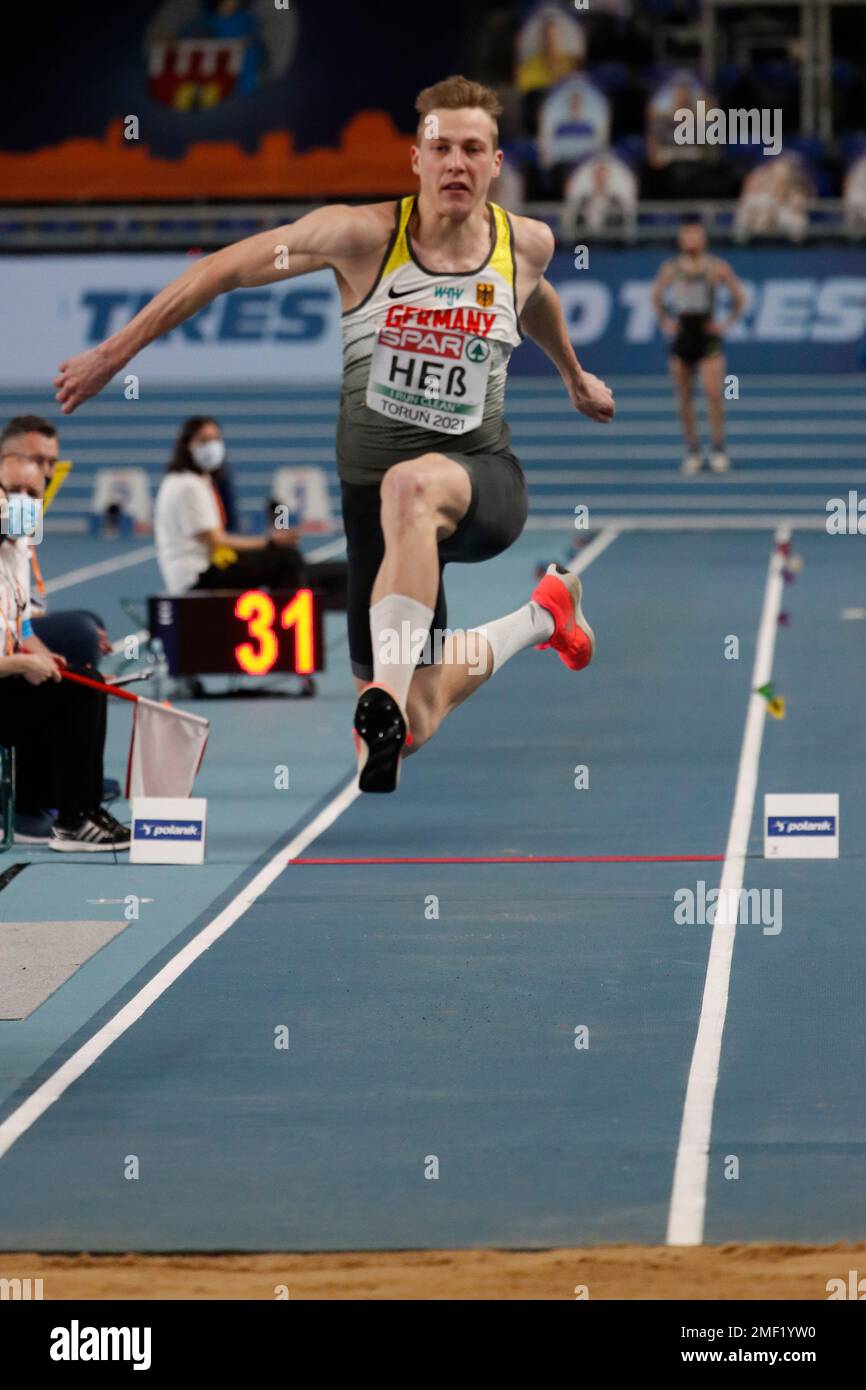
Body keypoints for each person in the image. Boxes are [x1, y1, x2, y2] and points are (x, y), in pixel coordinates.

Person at [54, 74, 614, 794]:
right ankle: (543, 616)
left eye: (473, 149)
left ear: (496, 164)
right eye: (441, 148)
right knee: (413, 725)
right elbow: (221, 271)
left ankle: (378, 697)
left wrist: (571, 374)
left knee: (411, 484)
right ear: (416, 159)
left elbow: (532, 295)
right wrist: (112, 354)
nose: (456, 164)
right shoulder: (358, 238)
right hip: (375, 510)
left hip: (481, 481)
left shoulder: (526, 242)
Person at [0, 474, 129, 850]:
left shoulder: (11, 556)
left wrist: (39, 654)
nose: (8, 512)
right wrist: (21, 666)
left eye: (5, 504)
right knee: (77, 695)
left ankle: (76, 811)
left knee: (82, 681)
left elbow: (21, 630)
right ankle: (73, 819)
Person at [0, 415, 112, 668]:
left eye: (51, 463)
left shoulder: (19, 527)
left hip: (11, 634)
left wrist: (48, 660)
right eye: (36, 460)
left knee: (87, 626)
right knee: (82, 631)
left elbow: (22, 620)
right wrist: (20, 664)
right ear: (4, 458)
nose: (46, 472)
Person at [154, 415, 303, 593]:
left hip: (204, 567)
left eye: (216, 439)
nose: (211, 446)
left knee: (272, 558)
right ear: (187, 445)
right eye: (203, 440)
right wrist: (270, 542)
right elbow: (216, 540)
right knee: (286, 559)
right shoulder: (188, 486)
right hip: (196, 575)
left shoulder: (190, 480)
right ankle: (291, 619)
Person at [652, 220, 746, 475]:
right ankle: (693, 449)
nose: (691, 239)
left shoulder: (716, 268)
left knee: (714, 395)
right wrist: (665, 321)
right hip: (683, 336)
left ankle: (718, 448)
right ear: (681, 239)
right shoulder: (670, 269)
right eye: (687, 234)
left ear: (703, 239)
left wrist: (726, 323)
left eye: (696, 235)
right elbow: (655, 296)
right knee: (684, 398)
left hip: (707, 337)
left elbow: (740, 296)